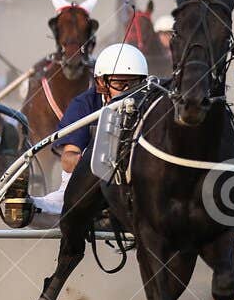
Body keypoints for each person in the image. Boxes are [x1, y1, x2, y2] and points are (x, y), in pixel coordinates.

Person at [31, 42, 150, 215]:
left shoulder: (151, 104)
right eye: (120, 84)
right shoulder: (84, 105)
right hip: (88, 181)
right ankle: (28, 204)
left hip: (138, 183)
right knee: (59, 204)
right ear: (101, 83)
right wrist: (93, 165)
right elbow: (68, 160)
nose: (128, 92)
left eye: (134, 84)